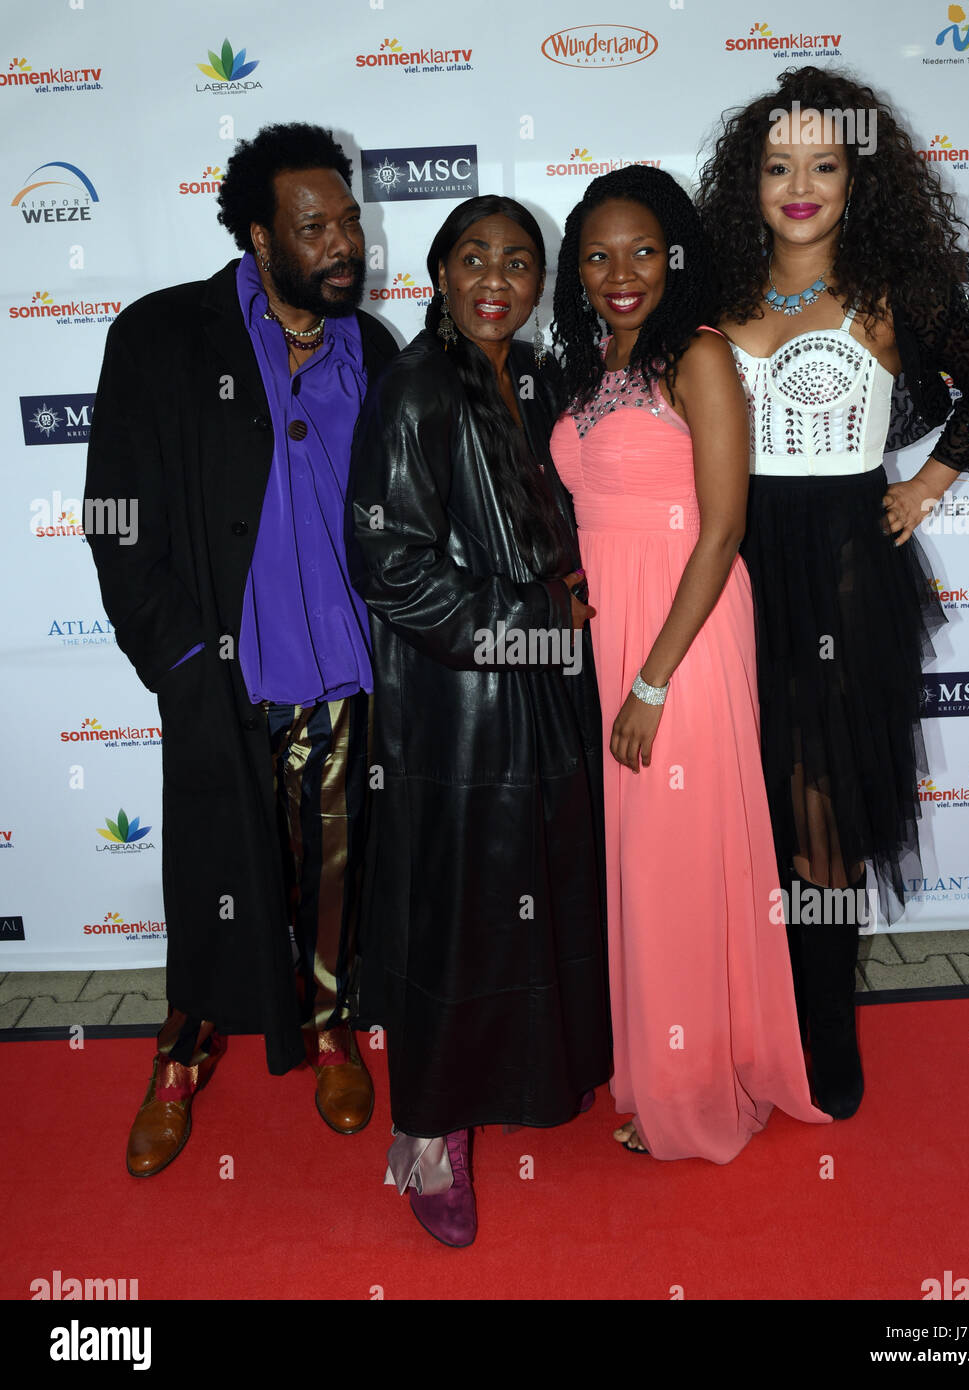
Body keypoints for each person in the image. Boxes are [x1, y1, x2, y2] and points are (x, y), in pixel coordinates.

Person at [695, 66, 969, 1117]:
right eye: (777, 164)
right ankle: (732, 1028)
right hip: (727, 565)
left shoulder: (891, 290)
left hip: (841, 573)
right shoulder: (712, 290)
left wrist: (929, 483)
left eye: (823, 164)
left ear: (857, 176)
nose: (799, 184)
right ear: (746, 181)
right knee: (726, 809)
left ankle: (819, 1037)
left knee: (817, 817)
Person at [84, 123, 398, 1177]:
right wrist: (174, 661)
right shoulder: (163, 335)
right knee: (214, 871)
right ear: (260, 237)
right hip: (224, 670)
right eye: (315, 225)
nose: (343, 241)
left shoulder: (377, 349)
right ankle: (181, 1052)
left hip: (350, 671)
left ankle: (328, 1029)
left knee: (337, 872)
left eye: (348, 219)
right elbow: (118, 514)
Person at [549, 166, 828, 1161]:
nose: (618, 272)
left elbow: (721, 530)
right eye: (595, 254)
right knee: (640, 866)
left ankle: (695, 1088)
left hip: (682, 637)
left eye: (638, 251)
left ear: (672, 255)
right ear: (573, 269)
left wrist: (652, 680)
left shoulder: (698, 357)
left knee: (674, 868)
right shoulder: (587, 363)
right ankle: (656, 1067)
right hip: (611, 633)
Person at [347, 195, 611, 1246]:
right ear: (439, 272)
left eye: (517, 262)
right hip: (457, 706)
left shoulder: (536, 374)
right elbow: (392, 571)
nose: (496, 279)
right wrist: (534, 613)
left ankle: (525, 1079)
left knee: (532, 898)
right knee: (455, 923)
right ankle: (426, 1140)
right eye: (473, 260)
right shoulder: (411, 389)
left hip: (542, 686)